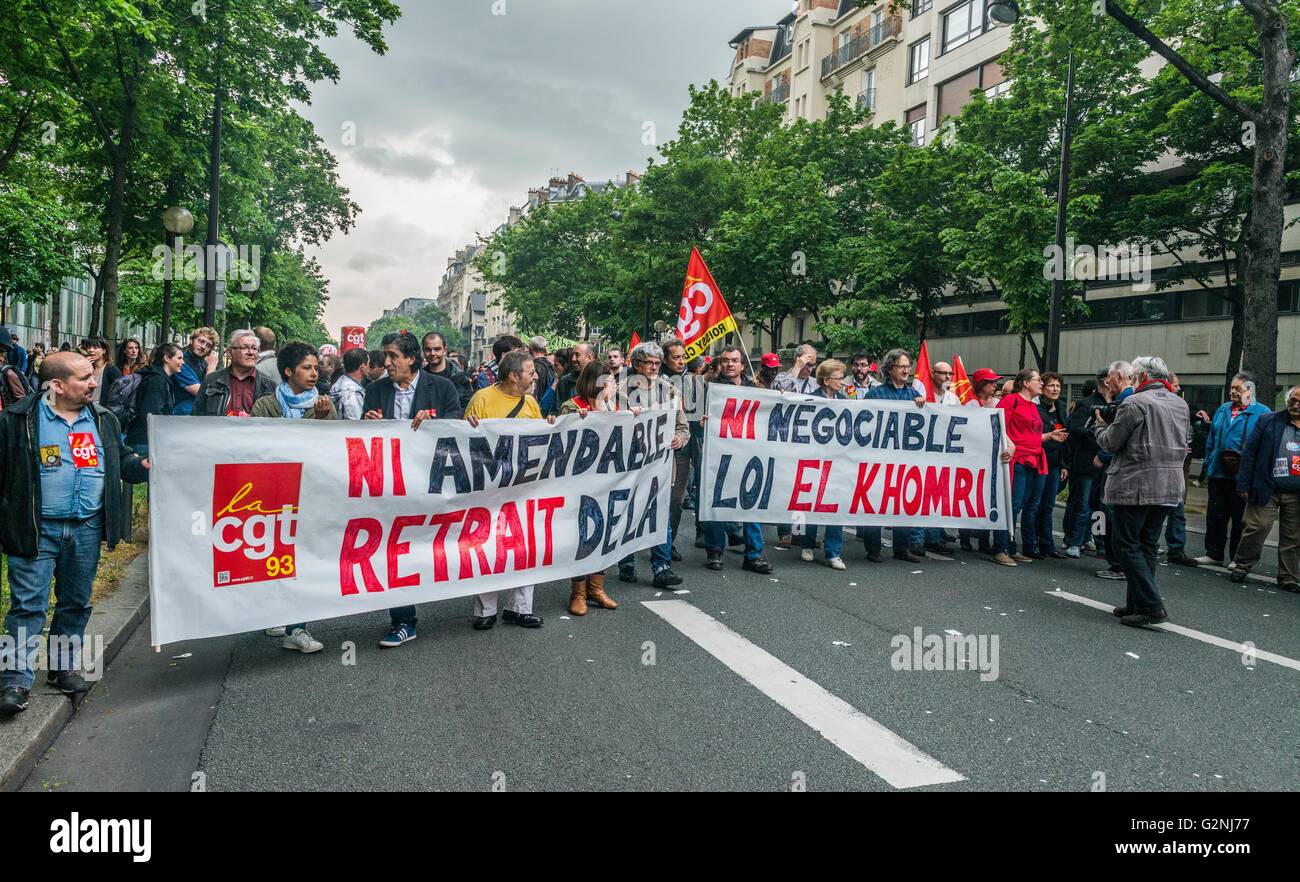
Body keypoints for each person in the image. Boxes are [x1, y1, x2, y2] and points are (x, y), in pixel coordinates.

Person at [0, 352, 151, 718]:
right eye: (84, 378)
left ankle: (62, 669)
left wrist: (141, 465)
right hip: (35, 529)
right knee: (27, 606)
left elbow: (122, 462)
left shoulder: (103, 419)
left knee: (76, 602)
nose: (94, 382)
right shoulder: (18, 419)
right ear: (57, 385)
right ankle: (14, 680)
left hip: (85, 528)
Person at [250, 343, 336, 653]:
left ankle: (297, 628)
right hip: (274, 495)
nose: (315, 373)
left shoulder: (324, 405)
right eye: (307, 368)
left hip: (310, 495)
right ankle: (278, 612)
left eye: (316, 368)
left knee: (303, 560)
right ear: (288, 372)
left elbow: (330, 452)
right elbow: (266, 449)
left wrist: (323, 420)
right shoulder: (265, 406)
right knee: (277, 557)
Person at [1093, 356, 1189, 627]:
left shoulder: (1135, 403)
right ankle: (1135, 603)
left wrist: (1100, 424)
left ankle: (1151, 605)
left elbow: (1111, 443)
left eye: (1134, 377)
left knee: (1126, 544)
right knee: (1147, 543)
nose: (1132, 381)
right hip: (1170, 485)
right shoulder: (1179, 403)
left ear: (1143, 377)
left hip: (1135, 484)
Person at [464, 349, 552, 630]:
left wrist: (551, 426)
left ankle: (520, 608)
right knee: (488, 547)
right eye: (530, 371)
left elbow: (541, 439)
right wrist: (469, 427)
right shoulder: (483, 399)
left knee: (527, 546)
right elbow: (465, 439)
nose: (535, 375)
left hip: (524, 488)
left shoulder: (530, 403)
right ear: (514, 376)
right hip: (490, 488)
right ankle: (485, 610)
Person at [612, 342, 687, 588]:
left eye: (657, 363)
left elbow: (682, 426)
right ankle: (626, 561)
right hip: (629, 466)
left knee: (660, 514)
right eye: (649, 363)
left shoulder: (670, 391)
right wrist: (624, 417)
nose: (654, 367)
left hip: (661, 465)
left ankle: (662, 567)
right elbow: (606, 422)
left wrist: (680, 438)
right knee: (628, 511)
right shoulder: (620, 391)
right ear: (636, 364)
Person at [700, 346, 773, 574]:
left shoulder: (755, 389)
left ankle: (753, 555)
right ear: (720, 364)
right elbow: (695, 418)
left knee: (751, 502)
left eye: (734, 360)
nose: (730, 364)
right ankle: (714, 551)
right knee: (719, 501)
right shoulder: (710, 389)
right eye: (726, 360)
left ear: (742, 365)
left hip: (749, 455)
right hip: (720, 455)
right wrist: (702, 421)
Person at [559, 363, 621, 615]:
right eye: (611, 382)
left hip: (607, 483)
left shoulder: (615, 408)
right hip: (579, 483)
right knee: (582, 536)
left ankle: (597, 588)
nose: (615, 386)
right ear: (599, 383)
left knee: (604, 535)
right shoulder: (571, 407)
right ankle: (579, 592)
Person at [990, 370, 1066, 567]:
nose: (1041, 383)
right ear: (1025, 383)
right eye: (1038, 380)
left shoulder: (1032, 406)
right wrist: (1010, 444)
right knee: (1012, 505)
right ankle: (1001, 548)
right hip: (1018, 461)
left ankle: (1012, 547)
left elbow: (1029, 435)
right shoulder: (1010, 401)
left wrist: (1048, 437)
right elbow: (996, 426)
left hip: (1035, 460)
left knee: (1026, 505)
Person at [1194, 372, 1271, 567]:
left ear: (1250, 390)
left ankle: (1238, 558)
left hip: (1243, 476)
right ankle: (1214, 553)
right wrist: (1208, 463)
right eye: (1231, 388)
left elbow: (1265, 446)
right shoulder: (1223, 409)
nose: (1232, 392)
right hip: (1218, 472)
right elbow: (1211, 439)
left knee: (1240, 518)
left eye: (1238, 388)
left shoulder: (1262, 412)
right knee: (1215, 515)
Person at [1229, 385, 1300, 591]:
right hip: (1266, 486)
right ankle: (1242, 565)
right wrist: (1244, 483)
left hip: (1296, 494)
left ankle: (1288, 577)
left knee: (1293, 537)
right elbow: (1250, 453)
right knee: (1257, 527)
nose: (1295, 405)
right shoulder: (1268, 420)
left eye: (1299, 402)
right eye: (1292, 400)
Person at [863, 349, 927, 562]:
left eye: (908, 366)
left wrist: (922, 409)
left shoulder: (914, 396)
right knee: (876, 502)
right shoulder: (875, 395)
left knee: (904, 502)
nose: (906, 370)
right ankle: (873, 549)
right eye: (902, 366)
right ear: (890, 368)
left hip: (905, 460)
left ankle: (902, 548)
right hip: (880, 459)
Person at [799, 359, 849, 570]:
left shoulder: (846, 400)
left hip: (838, 461)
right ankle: (808, 545)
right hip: (814, 459)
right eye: (839, 378)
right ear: (827, 380)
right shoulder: (811, 399)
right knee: (812, 502)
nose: (843, 382)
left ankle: (833, 552)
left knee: (836, 506)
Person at [1093, 361, 1136, 580]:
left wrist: (1100, 426)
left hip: (1119, 469)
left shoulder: (1126, 402)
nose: (1106, 382)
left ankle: (1118, 564)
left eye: (1110, 377)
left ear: (1120, 377)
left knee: (1110, 514)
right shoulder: (1126, 400)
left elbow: (1115, 440)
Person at [363, 332, 463, 425]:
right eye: (385, 356)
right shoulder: (374, 390)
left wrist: (432, 424)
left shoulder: (444, 387)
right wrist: (368, 422)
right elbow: (363, 430)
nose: (386, 363)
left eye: (393, 356)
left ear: (411, 359)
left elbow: (454, 424)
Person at [958, 368, 1006, 555]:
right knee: (969, 497)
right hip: (972, 458)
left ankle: (984, 539)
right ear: (981, 385)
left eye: (995, 382)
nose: (995, 385)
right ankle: (965, 536)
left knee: (988, 499)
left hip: (991, 459)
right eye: (991, 382)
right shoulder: (969, 404)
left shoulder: (998, 404)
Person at [662, 338, 703, 557]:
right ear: (665, 358)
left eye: (683, 357)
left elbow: (697, 414)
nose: (681, 361)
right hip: (657, 450)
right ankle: (654, 541)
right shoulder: (653, 381)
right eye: (675, 357)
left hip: (682, 449)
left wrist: (701, 420)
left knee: (676, 502)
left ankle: (669, 543)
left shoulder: (694, 382)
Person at [1062, 370, 1109, 558]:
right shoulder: (1086, 404)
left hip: (1106, 463)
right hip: (1086, 463)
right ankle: (1074, 541)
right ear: (1106, 381)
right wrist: (1099, 436)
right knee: (1082, 504)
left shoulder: (1114, 405)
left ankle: (1100, 543)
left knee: (1101, 508)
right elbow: (1074, 429)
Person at [194, 329, 275, 418]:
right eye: (244, 347)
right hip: (218, 430)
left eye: (254, 348)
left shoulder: (269, 385)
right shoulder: (211, 380)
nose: (251, 352)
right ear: (229, 353)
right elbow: (196, 416)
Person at [1163, 372, 1198, 566]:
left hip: (1178, 464)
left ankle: (1176, 548)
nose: (1178, 388)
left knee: (1177, 507)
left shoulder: (1180, 407)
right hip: (1161, 465)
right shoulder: (1159, 406)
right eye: (1176, 385)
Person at [124, 343, 183, 457]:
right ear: (166, 358)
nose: (182, 362)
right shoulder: (157, 381)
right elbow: (152, 414)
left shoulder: (157, 377)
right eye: (179, 358)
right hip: (145, 442)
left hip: (144, 440)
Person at [1035, 371, 1070, 559]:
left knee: (1048, 505)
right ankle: (1032, 540)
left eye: (1058, 386)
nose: (1056, 389)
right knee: (1035, 504)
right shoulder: (1036, 408)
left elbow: (1064, 436)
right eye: (1051, 385)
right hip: (1039, 461)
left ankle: (1047, 543)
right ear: (1042, 388)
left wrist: (1065, 464)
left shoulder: (1061, 408)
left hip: (1055, 463)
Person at [171, 327, 218, 415]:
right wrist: (211, 367)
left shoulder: (204, 362)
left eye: (208, 345)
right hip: (182, 414)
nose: (203, 347)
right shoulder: (181, 362)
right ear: (191, 340)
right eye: (201, 341)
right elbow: (204, 393)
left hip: (197, 414)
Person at [422, 331, 472, 410]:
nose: (432, 353)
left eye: (437, 349)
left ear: (445, 350)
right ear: (423, 351)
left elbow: (466, 408)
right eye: (428, 350)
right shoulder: (419, 377)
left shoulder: (460, 377)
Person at [330, 347, 369, 420]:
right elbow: (355, 425)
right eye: (368, 364)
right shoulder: (353, 394)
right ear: (362, 367)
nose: (369, 367)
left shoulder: (341, 383)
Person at [83, 336, 121, 407]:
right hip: (87, 408)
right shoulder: (86, 368)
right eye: (89, 347)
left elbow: (119, 393)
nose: (91, 350)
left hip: (104, 410)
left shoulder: (112, 370)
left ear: (104, 350)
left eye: (95, 347)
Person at [0, 329, 30, 409]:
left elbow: (24, 361)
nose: (13, 340)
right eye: (12, 339)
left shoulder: (8, 374)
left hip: (17, 370)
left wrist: (22, 371)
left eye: (14, 339)